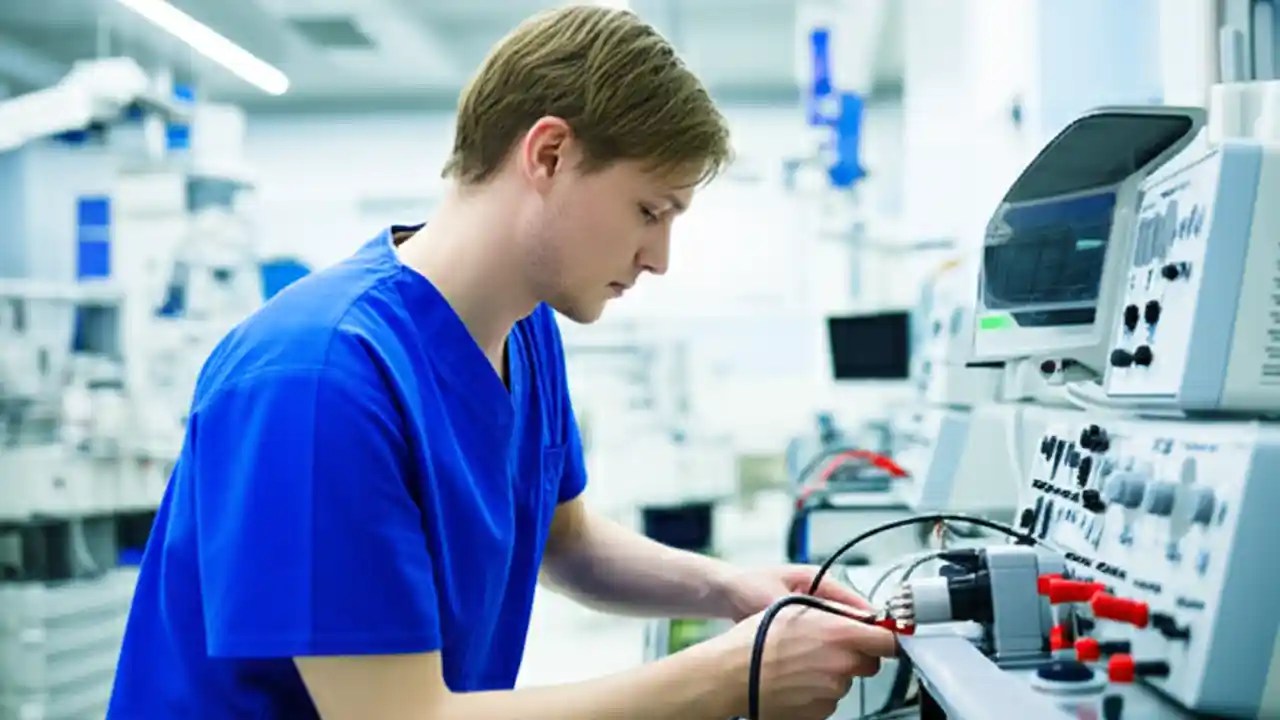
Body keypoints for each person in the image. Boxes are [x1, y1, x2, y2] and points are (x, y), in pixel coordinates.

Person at [107, 5, 896, 719]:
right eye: (649, 211)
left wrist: (729, 586)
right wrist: (732, 673)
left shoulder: (525, 332)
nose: (659, 258)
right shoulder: (319, 379)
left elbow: (567, 542)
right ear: (548, 154)